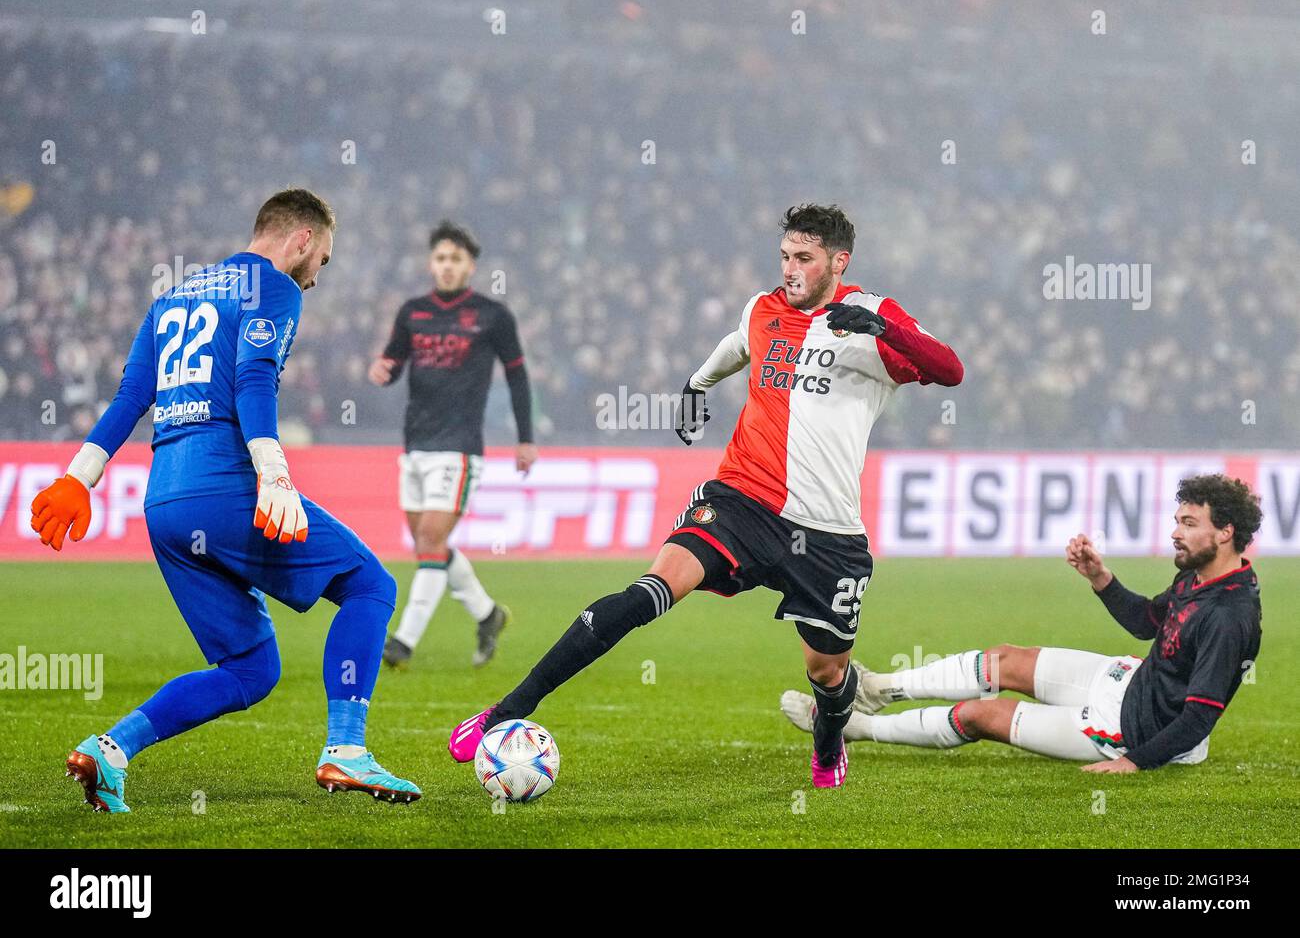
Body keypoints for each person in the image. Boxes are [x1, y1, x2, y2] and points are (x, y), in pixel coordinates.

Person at [446, 203, 963, 787]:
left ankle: (828, 740)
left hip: (828, 533)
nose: (790, 270)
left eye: (804, 259)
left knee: (826, 668)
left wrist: (887, 331)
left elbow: (950, 370)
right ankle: (507, 710)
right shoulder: (764, 309)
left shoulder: (873, 316)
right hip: (742, 500)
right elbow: (738, 343)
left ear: (838, 262)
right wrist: (699, 381)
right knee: (650, 590)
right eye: (785, 257)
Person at [31, 189, 421, 811]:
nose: (319, 274)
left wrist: (79, 478)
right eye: (323, 257)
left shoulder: (170, 298)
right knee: (368, 584)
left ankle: (110, 750)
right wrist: (275, 475)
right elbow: (254, 377)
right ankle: (347, 750)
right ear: (300, 239)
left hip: (164, 503)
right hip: (224, 485)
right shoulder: (273, 287)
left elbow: (132, 398)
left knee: (250, 668)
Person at [780, 474, 1263, 772]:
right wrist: (1100, 577)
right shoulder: (1198, 579)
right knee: (1004, 659)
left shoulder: (1229, 616)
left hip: (1130, 728)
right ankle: (878, 687)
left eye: (1190, 523)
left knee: (978, 714)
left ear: (1226, 532)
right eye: (1177, 520)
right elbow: (1146, 623)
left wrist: (1134, 761)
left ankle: (851, 726)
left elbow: (1200, 715)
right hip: (1128, 680)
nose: (1176, 533)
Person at [368, 220, 536, 669]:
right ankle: (488, 615)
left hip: (459, 446)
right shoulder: (412, 312)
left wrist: (525, 438)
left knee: (429, 539)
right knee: (430, 545)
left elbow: (517, 375)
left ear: (470, 266)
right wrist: (384, 370)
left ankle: (402, 643)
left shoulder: (492, 316)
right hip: (416, 443)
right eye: (440, 258)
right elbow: (395, 362)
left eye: (455, 259)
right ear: (431, 262)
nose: (446, 266)